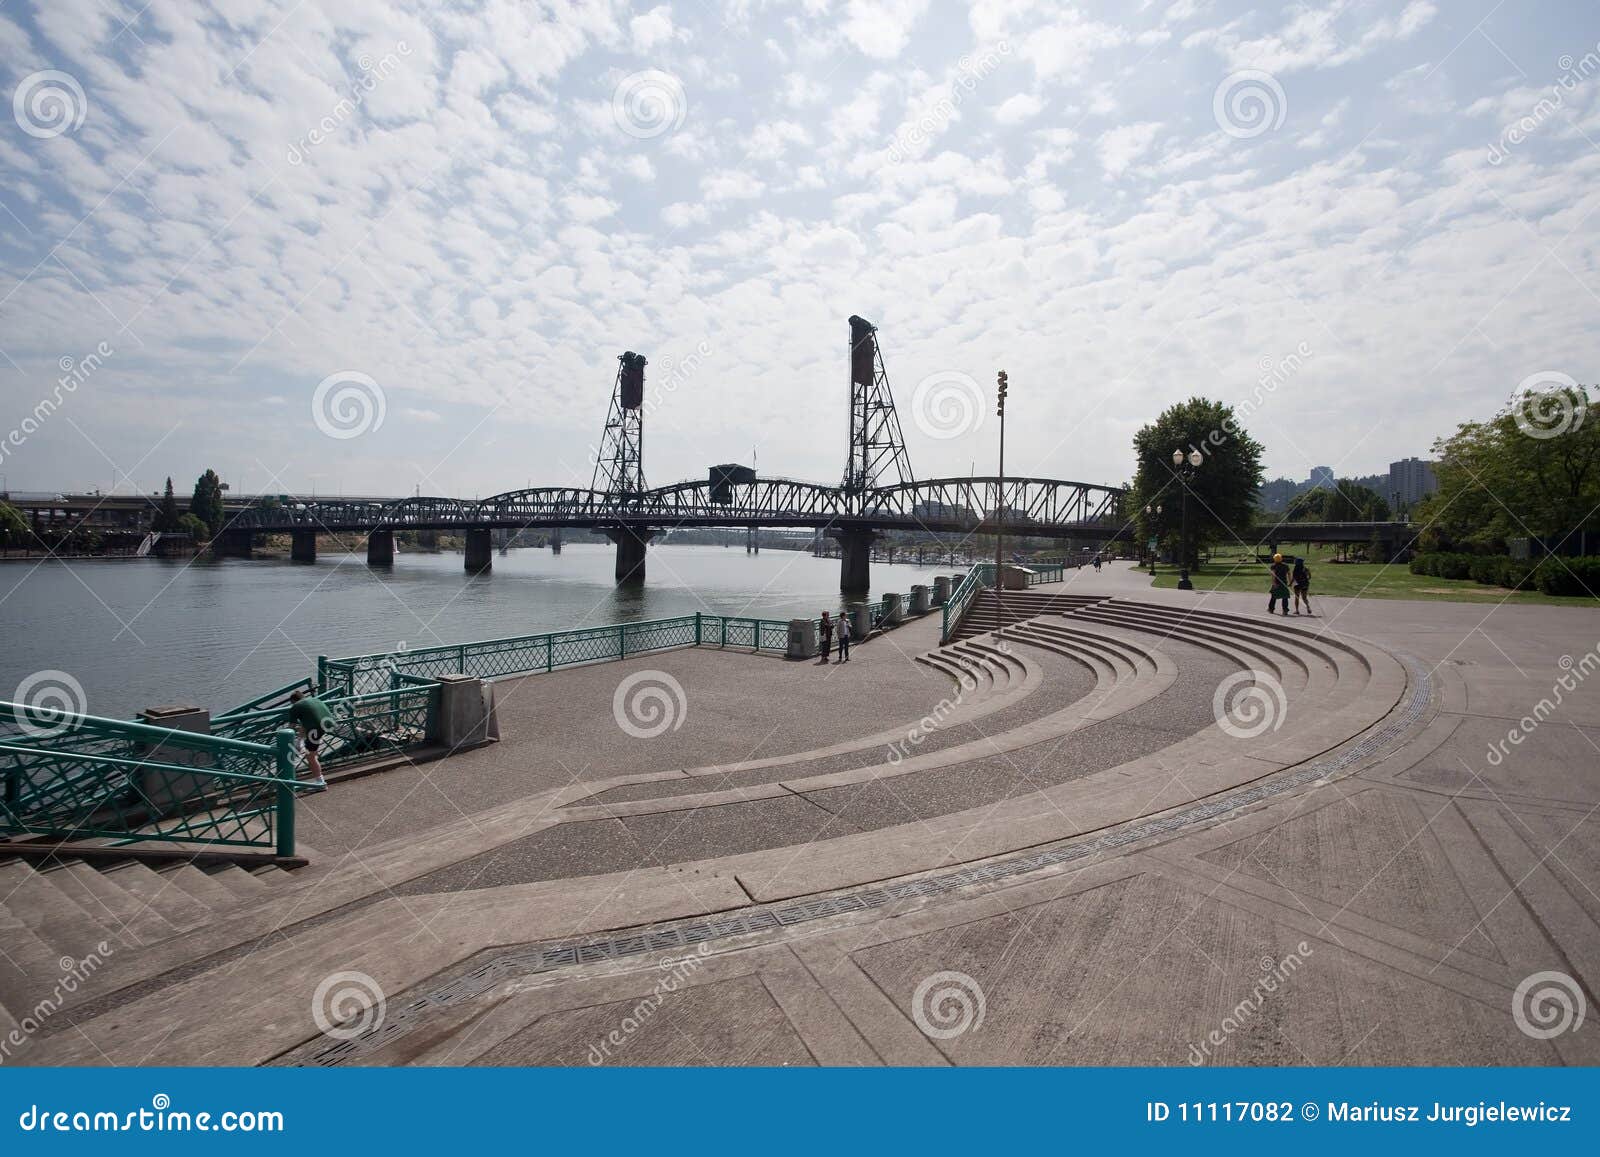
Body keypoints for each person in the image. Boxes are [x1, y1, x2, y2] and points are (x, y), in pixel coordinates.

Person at [288, 689, 334, 781]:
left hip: (316, 728)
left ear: (293, 701)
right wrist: (299, 740)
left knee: (310, 757)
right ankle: (307, 748)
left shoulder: (295, 707)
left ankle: (320, 782)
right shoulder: (315, 700)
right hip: (329, 724)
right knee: (312, 751)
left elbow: (291, 728)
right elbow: (304, 724)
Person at [1268, 552, 1291, 617]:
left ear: (1274, 559)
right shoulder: (1285, 566)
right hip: (1284, 583)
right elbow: (1289, 574)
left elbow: (1273, 575)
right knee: (1285, 597)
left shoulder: (1273, 566)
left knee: (1273, 597)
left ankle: (1271, 609)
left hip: (1276, 583)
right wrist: (1290, 582)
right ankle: (1285, 610)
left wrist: (1273, 583)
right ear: (1281, 559)